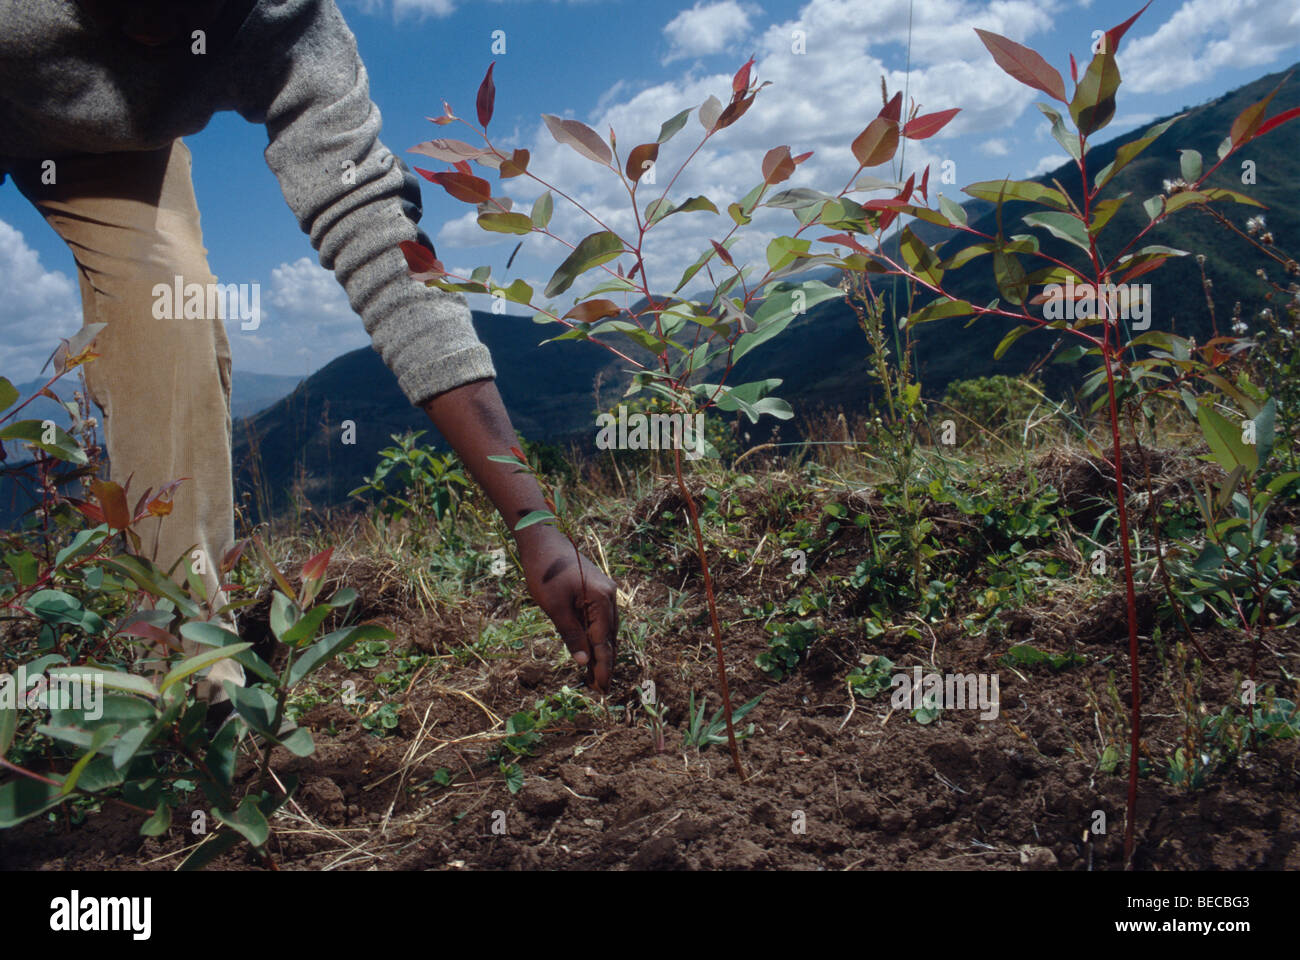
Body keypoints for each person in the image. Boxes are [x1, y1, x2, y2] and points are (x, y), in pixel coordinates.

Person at [0, 0, 618, 704]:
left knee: (169, 305)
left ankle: (189, 674)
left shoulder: (286, 20)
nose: (147, 39)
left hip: (110, 150)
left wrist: (535, 525)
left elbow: (381, 238)